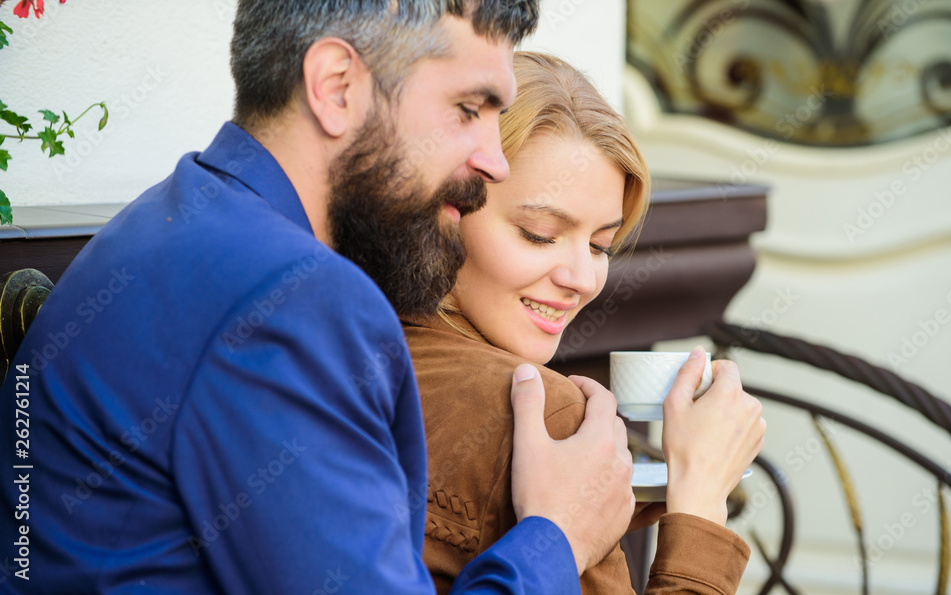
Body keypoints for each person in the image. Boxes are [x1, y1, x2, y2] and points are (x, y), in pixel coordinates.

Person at [0, 3, 637, 593]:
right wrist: (557, 535)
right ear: (336, 88)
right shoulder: (289, 298)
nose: (495, 160)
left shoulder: (179, 213)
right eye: (469, 109)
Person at [404, 52, 766, 593]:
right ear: (445, 215)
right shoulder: (540, 414)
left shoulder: (340, 344)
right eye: (539, 234)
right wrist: (702, 507)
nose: (583, 279)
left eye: (601, 245)